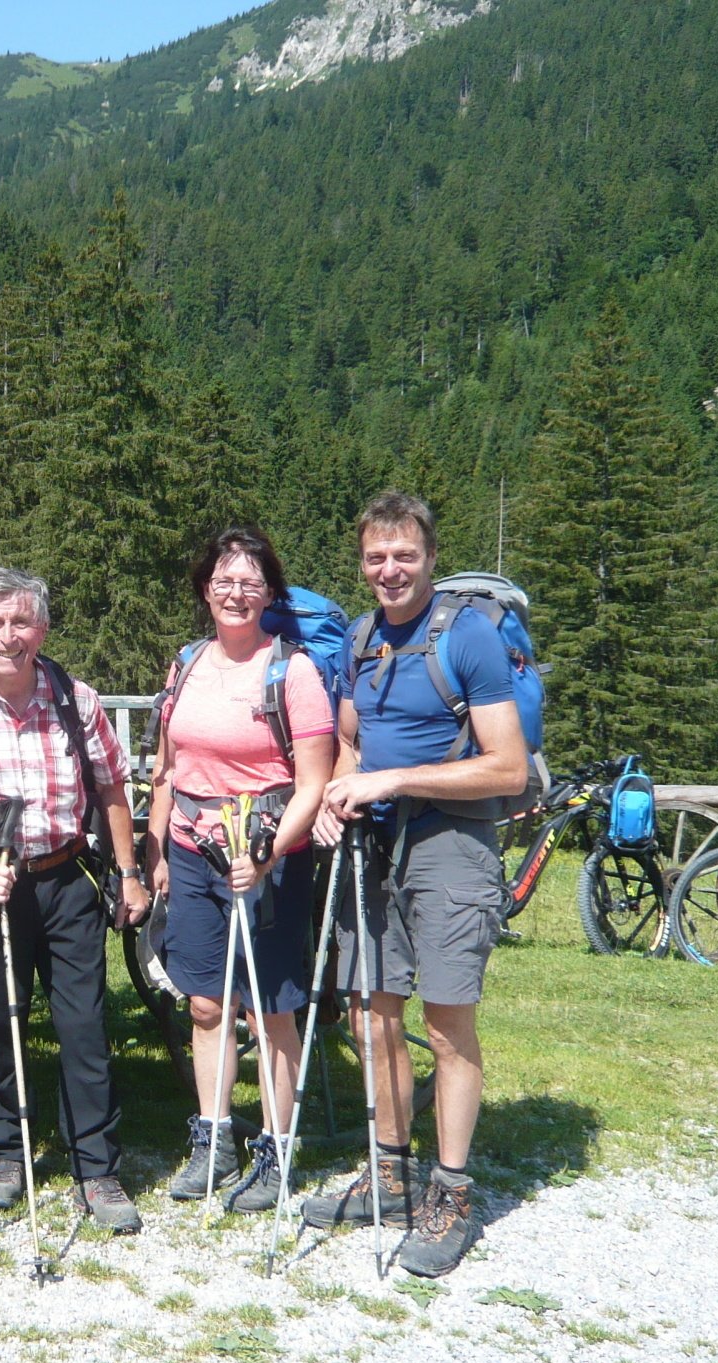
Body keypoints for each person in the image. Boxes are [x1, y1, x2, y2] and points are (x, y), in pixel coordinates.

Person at [306, 492, 527, 1276]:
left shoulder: (467, 636)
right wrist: (336, 795)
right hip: (371, 845)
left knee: (446, 1024)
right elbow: (348, 741)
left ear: (431, 558)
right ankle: (391, 1174)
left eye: (404, 555)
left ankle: (452, 1193)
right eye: (376, 557)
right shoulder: (361, 639)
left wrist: (394, 779)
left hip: (449, 844)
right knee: (372, 1016)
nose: (390, 569)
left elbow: (508, 766)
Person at [0, 567, 152, 1234]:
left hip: (65, 877)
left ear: (42, 630)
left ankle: (96, 1167)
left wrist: (129, 873)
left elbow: (111, 790)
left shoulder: (76, 699)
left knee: (83, 1025)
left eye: (21, 622)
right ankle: (4, 1154)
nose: (8, 636)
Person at [144, 527, 333, 1213]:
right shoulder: (187, 663)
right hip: (194, 852)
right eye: (224, 580)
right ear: (205, 588)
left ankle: (277, 1151)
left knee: (270, 1008)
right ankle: (214, 1138)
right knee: (204, 1002)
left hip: (267, 858)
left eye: (251, 582)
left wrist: (268, 852)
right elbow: (168, 767)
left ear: (269, 593)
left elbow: (313, 783)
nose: (235, 592)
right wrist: (156, 848)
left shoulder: (293, 672)